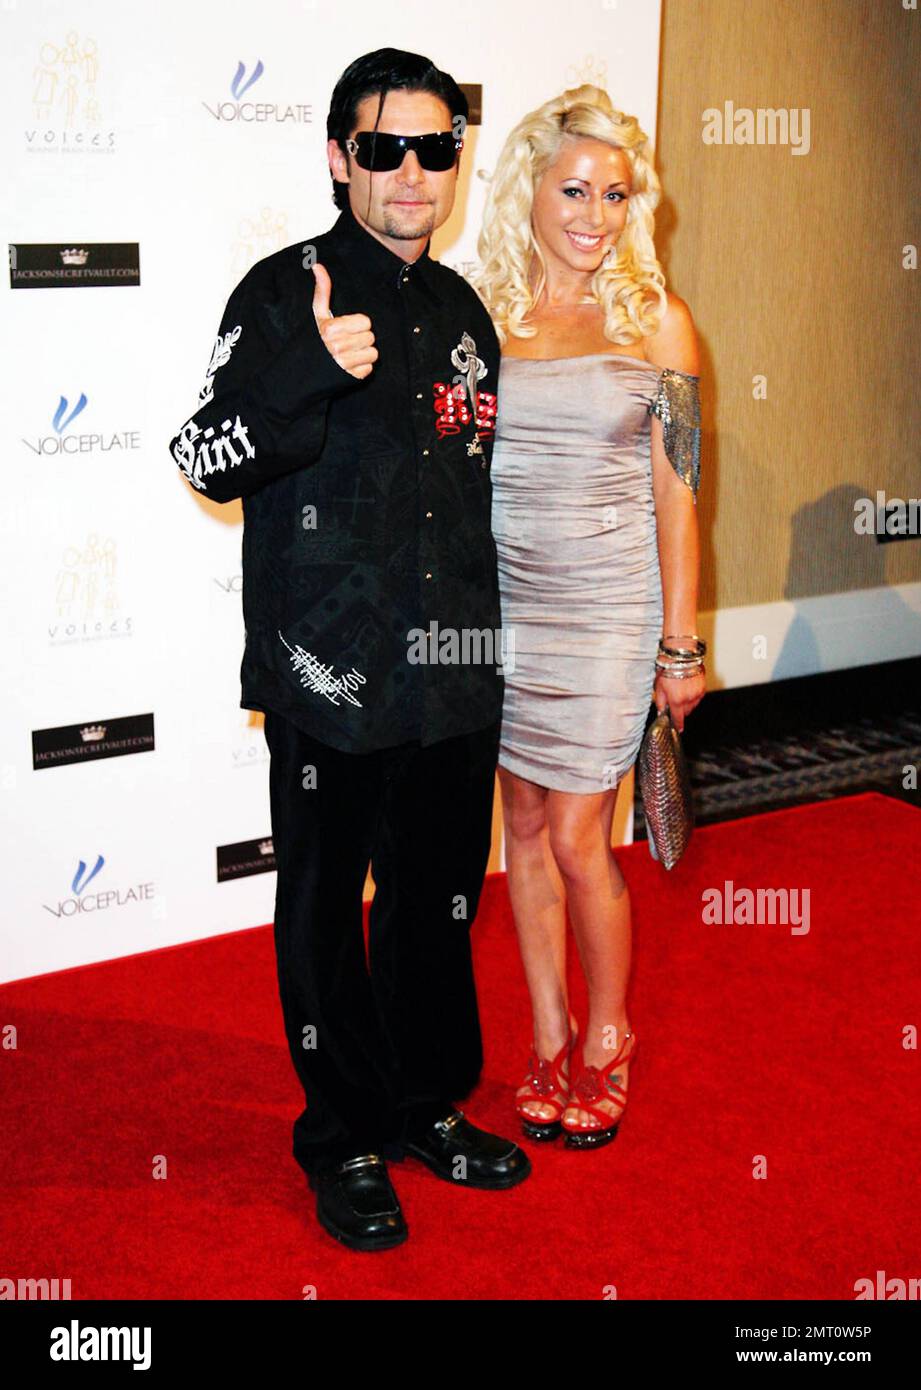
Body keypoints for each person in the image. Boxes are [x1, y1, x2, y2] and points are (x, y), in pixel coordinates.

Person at [168, 48, 530, 1252]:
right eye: (384, 149)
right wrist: (308, 375)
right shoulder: (283, 294)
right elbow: (203, 458)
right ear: (339, 158)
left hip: (452, 672)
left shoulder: (465, 310)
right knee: (326, 911)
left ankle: (423, 1105)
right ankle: (342, 1137)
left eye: (436, 148)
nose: (413, 173)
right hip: (328, 676)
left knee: (433, 907)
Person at [470, 86, 706, 1150]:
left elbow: (680, 489)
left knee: (576, 835)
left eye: (617, 194)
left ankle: (609, 1035)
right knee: (518, 826)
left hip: (610, 610)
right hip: (510, 608)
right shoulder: (485, 317)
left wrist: (682, 643)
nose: (596, 214)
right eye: (575, 188)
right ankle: (549, 1027)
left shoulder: (661, 321)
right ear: (531, 190)